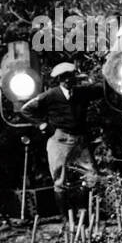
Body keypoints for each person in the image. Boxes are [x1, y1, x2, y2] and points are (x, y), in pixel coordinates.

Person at [21, 62, 103, 219]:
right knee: (60, 180)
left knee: (92, 176)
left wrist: (97, 76)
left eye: (70, 77)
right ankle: (66, 218)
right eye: (64, 78)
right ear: (59, 79)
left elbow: (102, 89)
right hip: (60, 139)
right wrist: (41, 124)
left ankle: (83, 213)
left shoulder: (81, 92)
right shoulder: (51, 95)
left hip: (79, 140)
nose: (68, 81)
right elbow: (26, 109)